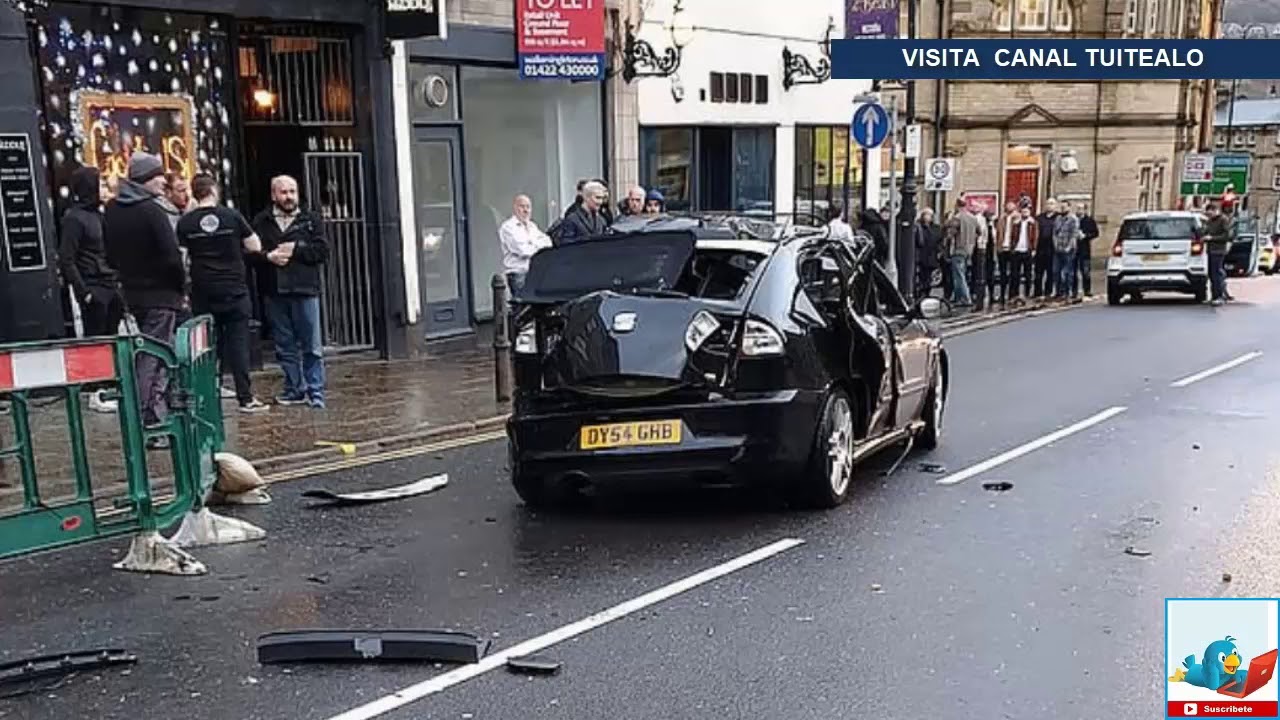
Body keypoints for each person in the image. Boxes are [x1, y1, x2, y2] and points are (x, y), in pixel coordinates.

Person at [104, 152, 187, 447]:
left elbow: (110, 254)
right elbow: (171, 256)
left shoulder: (112, 209)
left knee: (148, 354)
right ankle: (149, 420)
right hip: (162, 294)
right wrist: (182, 287)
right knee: (155, 358)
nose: (163, 181)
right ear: (145, 180)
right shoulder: (151, 211)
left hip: (133, 293)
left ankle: (150, 418)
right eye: (157, 176)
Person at [176, 174, 269, 414]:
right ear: (214, 190)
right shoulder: (232, 216)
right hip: (234, 290)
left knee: (206, 347)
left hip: (203, 291)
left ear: (194, 193)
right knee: (238, 345)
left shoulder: (186, 222)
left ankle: (208, 395)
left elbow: (181, 259)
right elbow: (255, 246)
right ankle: (245, 398)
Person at [251, 175, 330, 409]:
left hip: (305, 289)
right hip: (275, 291)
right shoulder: (261, 221)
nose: (289, 197)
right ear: (274, 195)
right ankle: (295, 390)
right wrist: (268, 256)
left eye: (293, 192)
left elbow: (323, 251)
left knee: (312, 346)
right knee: (284, 346)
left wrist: (297, 248)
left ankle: (316, 393)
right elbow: (252, 254)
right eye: (284, 192)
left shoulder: (310, 219)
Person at [58, 165, 123, 413]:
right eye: (100, 185)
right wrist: (83, 290)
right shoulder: (75, 218)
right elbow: (67, 258)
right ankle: (96, 390)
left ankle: (108, 384)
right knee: (96, 338)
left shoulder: (100, 215)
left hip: (109, 282)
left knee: (111, 336)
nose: (104, 189)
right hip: (93, 285)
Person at [499, 194, 552, 295]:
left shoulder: (532, 226)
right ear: (515, 208)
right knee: (521, 308)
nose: (526, 210)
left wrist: (531, 244)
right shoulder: (508, 227)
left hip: (535, 273)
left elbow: (548, 243)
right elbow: (523, 251)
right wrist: (537, 245)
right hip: (519, 273)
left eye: (528, 207)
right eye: (522, 206)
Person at [946, 198, 978, 307]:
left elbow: (951, 234)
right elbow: (979, 231)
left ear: (957, 205)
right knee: (963, 273)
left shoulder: (957, 218)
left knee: (959, 275)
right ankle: (958, 297)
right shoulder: (973, 218)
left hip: (958, 249)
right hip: (969, 249)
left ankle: (965, 298)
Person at [1003, 205, 1036, 305]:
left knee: (1028, 274)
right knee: (1014, 275)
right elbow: (1012, 235)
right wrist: (1012, 247)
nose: (1025, 213)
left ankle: (1027, 294)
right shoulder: (1016, 223)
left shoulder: (1032, 223)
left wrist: (1034, 248)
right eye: (1023, 211)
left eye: (1026, 212)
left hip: (1027, 250)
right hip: (1017, 251)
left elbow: (1035, 236)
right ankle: (1014, 295)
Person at [1203, 202, 1232, 306]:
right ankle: (1214, 296)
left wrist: (1211, 238)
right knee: (1211, 274)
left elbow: (1227, 235)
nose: (1209, 216)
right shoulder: (1210, 221)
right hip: (1210, 250)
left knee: (1216, 274)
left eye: (1210, 213)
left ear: (1215, 210)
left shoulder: (1223, 220)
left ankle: (1219, 296)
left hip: (1219, 250)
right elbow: (1206, 232)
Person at [1052, 200, 1081, 301]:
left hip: (1069, 250)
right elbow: (1054, 233)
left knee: (1067, 272)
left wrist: (1069, 247)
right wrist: (1055, 244)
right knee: (1056, 271)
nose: (1062, 209)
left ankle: (1068, 293)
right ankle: (1058, 292)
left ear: (1069, 207)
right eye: (1061, 207)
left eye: (1064, 207)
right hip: (1058, 249)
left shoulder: (1073, 219)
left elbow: (1074, 234)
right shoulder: (1058, 219)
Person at [1033, 198, 1059, 298]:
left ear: (1055, 206)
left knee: (1050, 272)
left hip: (1052, 249)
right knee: (1038, 272)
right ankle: (1037, 292)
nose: (1049, 206)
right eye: (1048, 203)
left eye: (1052, 204)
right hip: (1040, 248)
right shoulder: (1039, 218)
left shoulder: (1058, 218)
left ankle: (1048, 292)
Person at [914, 208, 941, 298]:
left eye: (929, 215)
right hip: (921, 256)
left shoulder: (936, 228)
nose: (927, 217)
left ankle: (926, 293)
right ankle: (922, 293)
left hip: (932, 256)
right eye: (926, 214)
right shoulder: (918, 227)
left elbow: (938, 240)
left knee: (929, 277)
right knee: (922, 276)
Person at [1075, 204, 1099, 298]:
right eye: (1077, 208)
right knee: (1073, 272)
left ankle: (1087, 290)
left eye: (1080, 209)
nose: (1079, 210)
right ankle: (1074, 291)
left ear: (1085, 210)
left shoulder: (1089, 221)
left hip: (1084, 250)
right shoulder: (1074, 220)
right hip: (1074, 249)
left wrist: (1086, 236)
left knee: (1085, 272)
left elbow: (1096, 233)